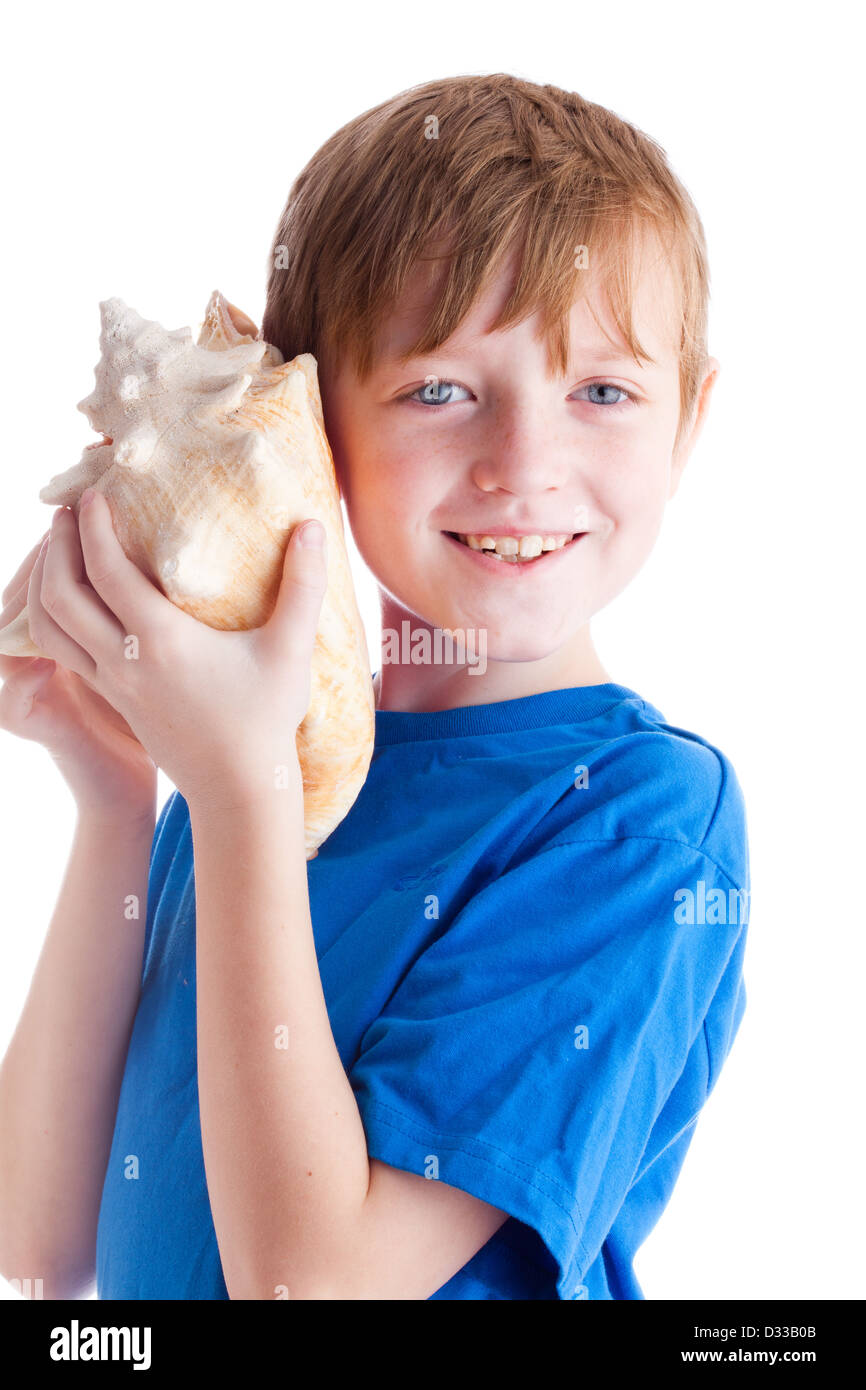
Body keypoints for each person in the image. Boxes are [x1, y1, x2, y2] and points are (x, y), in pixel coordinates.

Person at [0, 73, 749, 1301]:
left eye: (602, 391)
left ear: (686, 422)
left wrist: (235, 792)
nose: (524, 465)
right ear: (309, 422)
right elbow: (40, 1242)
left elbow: (312, 1287)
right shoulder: (259, 762)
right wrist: (116, 797)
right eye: (438, 390)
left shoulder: (639, 823)